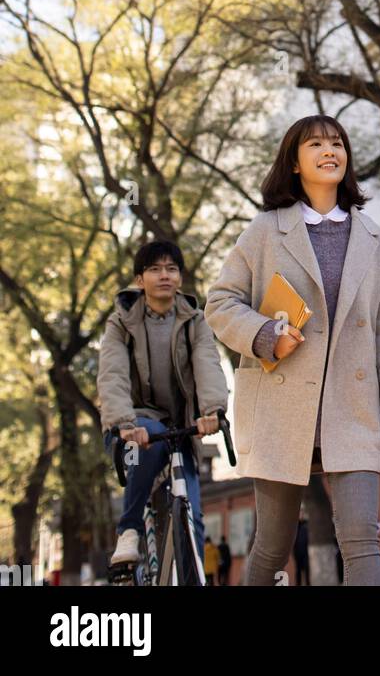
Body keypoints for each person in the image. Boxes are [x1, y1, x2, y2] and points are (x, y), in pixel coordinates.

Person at [205, 114, 380, 586]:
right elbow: (219, 303)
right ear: (295, 162)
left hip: (354, 410)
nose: (330, 151)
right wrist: (264, 335)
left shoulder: (372, 236)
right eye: (317, 143)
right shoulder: (265, 231)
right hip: (282, 408)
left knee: (363, 538)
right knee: (273, 545)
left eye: (338, 143)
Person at [97, 240, 228, 568]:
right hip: (134, 422)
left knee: (193, 516)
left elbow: (208, 363)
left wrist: (212, 410)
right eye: (154, 269)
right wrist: (124, 423)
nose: (164, 275)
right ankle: (129, 530)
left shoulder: (195, 321)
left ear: (180, 278)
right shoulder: (121, 323)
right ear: (140, 280)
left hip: (181, 426)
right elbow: (112, 375)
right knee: (149, 439)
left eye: (171, 269)